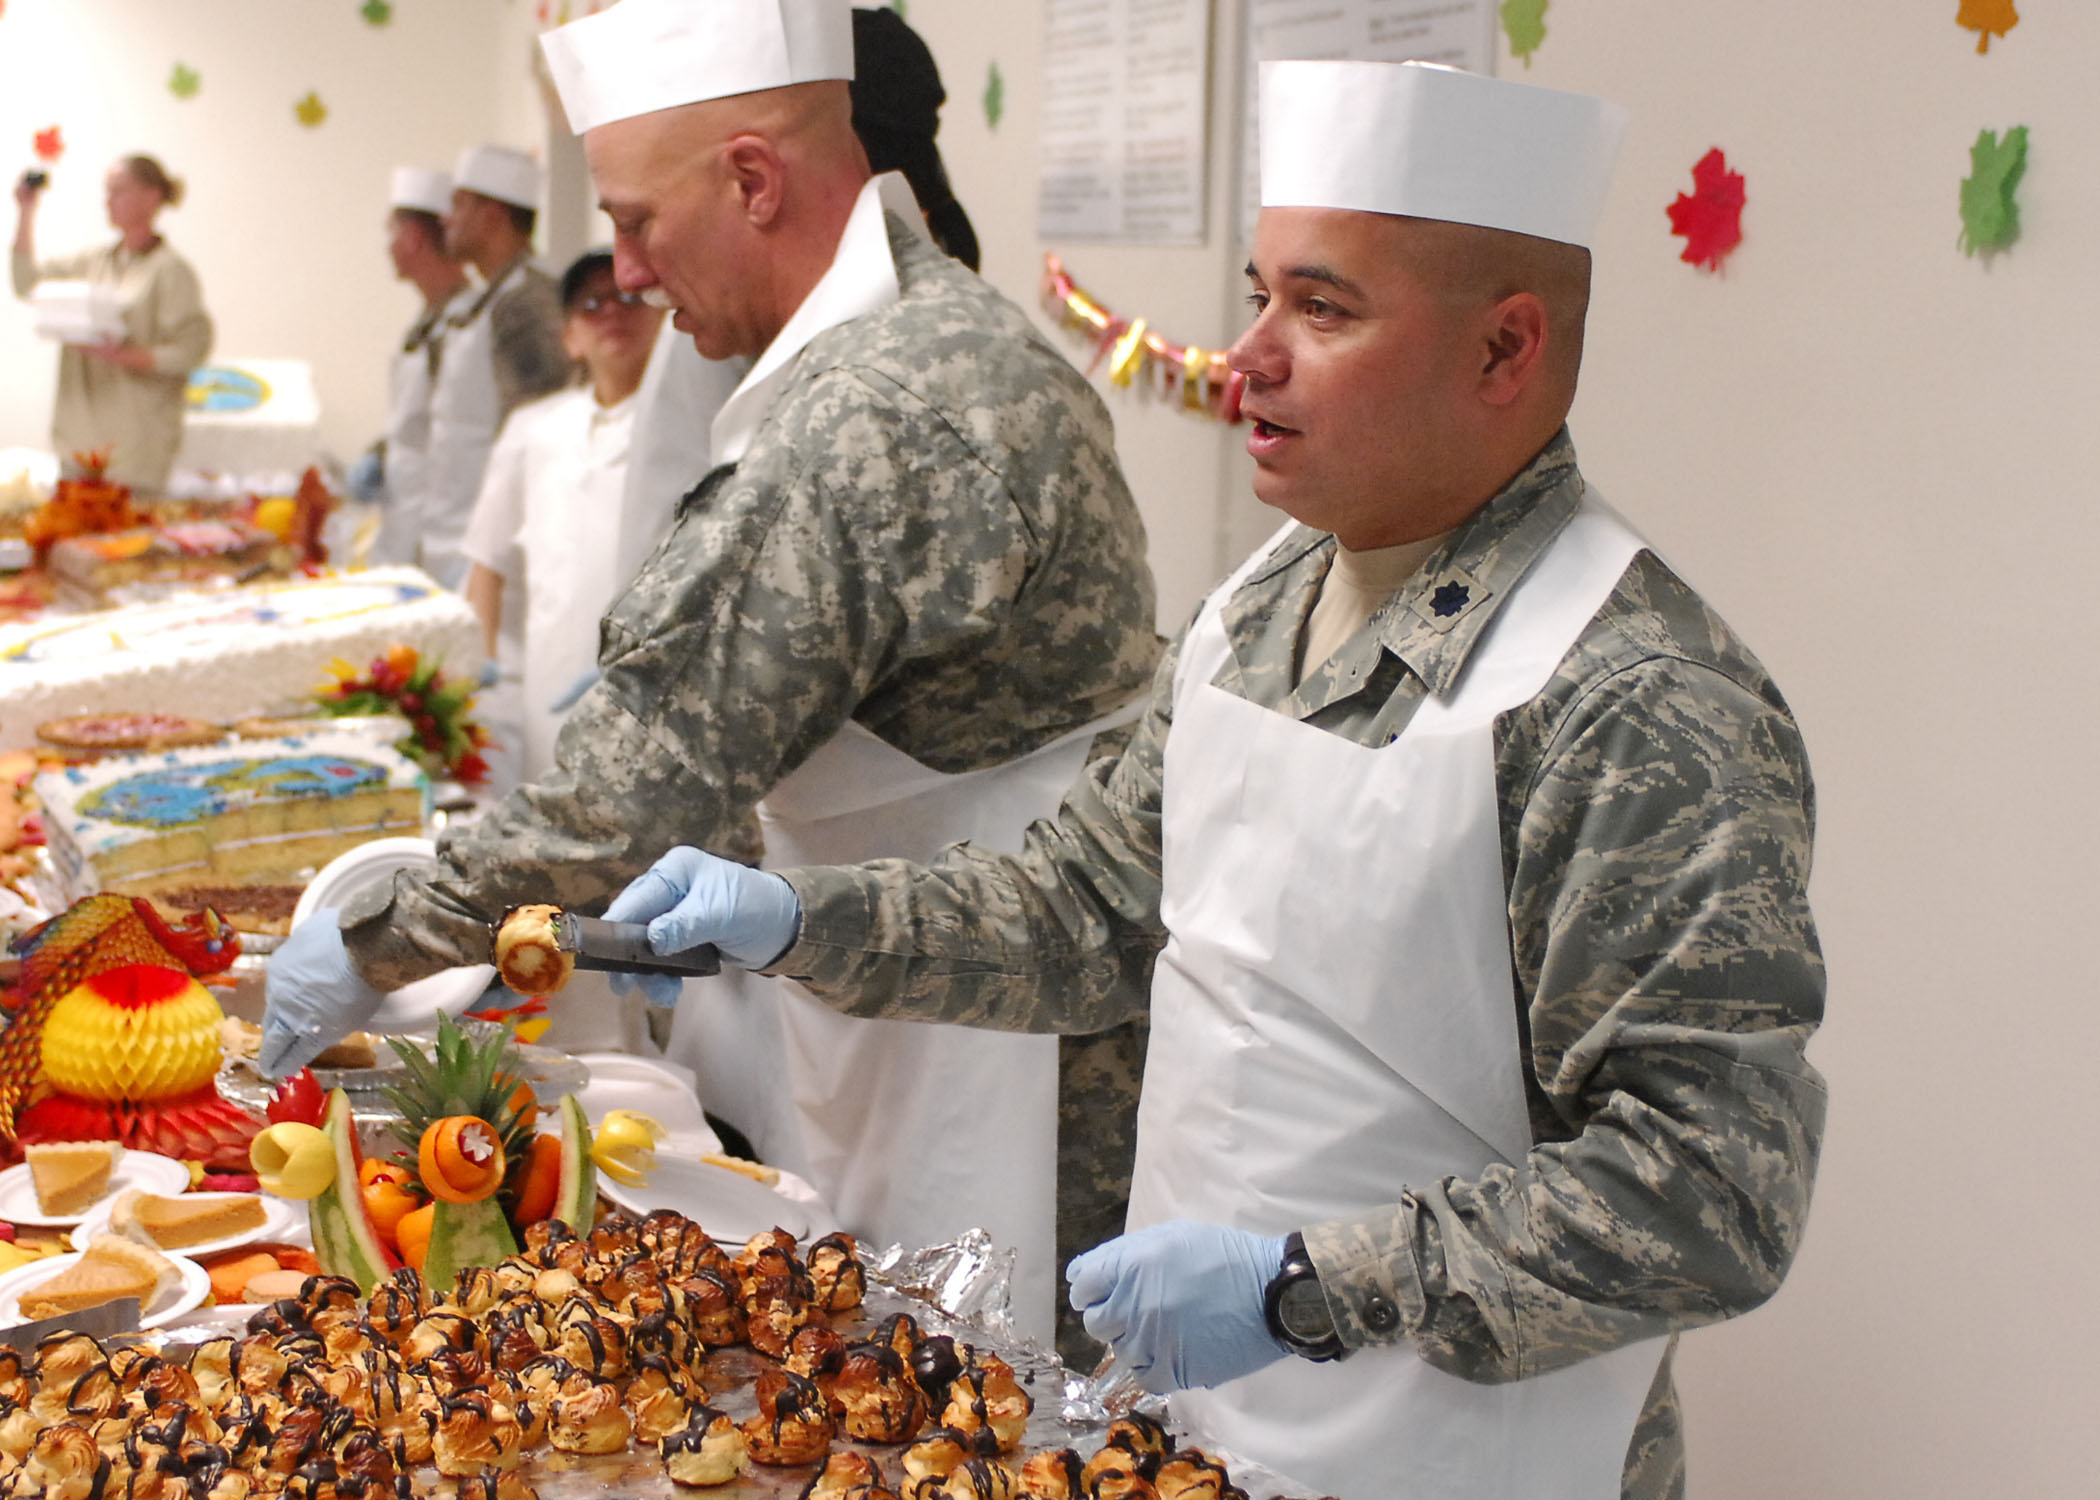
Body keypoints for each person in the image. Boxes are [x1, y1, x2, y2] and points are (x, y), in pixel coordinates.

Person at [590, 60, 1828, 1499]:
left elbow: (1713, 1193)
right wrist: (803, 922)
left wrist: (1305, 1285)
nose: (1250, 355)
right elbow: (1089, 914)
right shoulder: (1262, 606)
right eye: (1260, 294)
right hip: (1200, 1433)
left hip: (1466, 1457)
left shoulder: (1632, 702)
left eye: (1325, 307)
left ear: (1505, 351)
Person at [261, 0, 1162, 1345]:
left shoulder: (877, 408)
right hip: (945, 983)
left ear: (752, 178)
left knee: (982, 1386)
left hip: (997, 1038)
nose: (619, 271)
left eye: (634, 222)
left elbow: (624, 799)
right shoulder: (938, 332)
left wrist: (372, 941)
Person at [460, 250, 662, 788]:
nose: (612, 313)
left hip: (655, 689)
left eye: (628, 298)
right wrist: (481, 676)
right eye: (592, 304)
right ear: (569, 336)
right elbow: (486, 561)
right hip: (547, 683)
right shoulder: (533, 429)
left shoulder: (683, 430)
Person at [9, 154, 213, 492]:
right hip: (79, 442)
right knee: (70, 542)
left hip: (134, 450)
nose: (108, 201)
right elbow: (26, 283)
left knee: (126, 543)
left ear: (151, 197)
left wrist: (122, 354)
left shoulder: (171, 272)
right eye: (107, 192)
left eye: (117, 191)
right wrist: (26, 212)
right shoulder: (94, 262)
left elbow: (191, 350)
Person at [417, 143, 568, 590]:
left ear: (492, 217)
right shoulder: (487, 299)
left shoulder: (527, 302)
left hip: (493, 552)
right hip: (453, 536)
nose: (446, 218)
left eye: (459, 204)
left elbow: (537, 435)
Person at [366, 166, 470, 566]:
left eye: (391, 231)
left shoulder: (462, 324)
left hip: (442, 525)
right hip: (408, 514)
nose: (387, 246)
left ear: (413, 238)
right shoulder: (430, 320)